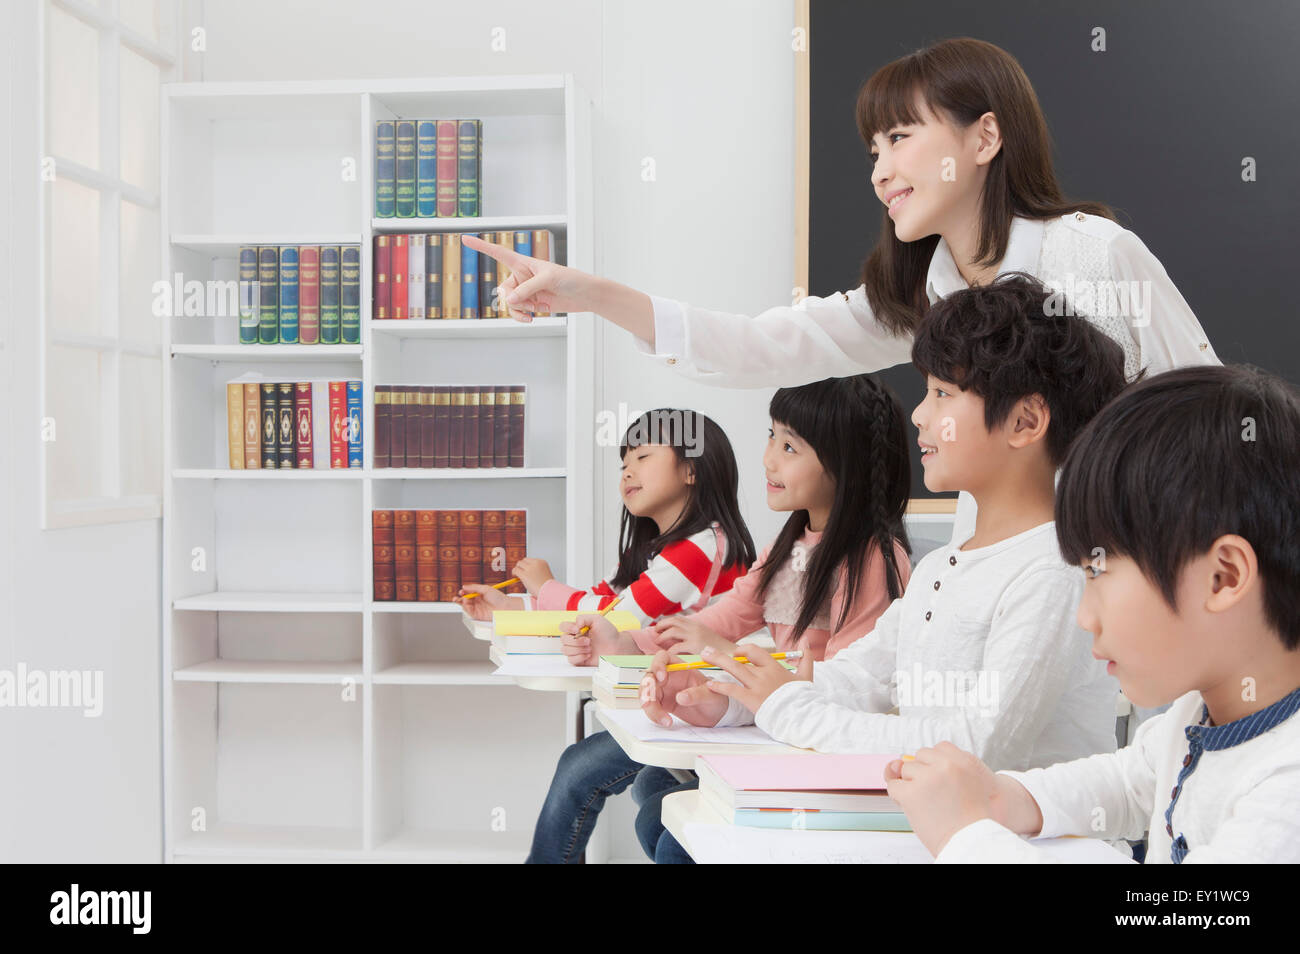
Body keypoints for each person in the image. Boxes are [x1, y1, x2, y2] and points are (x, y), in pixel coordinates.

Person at [465, 36, 1220, 548]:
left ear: (984, 140)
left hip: (1128, 572)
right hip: (993, 576)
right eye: (872, 149)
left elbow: (1210, 423)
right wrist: (591, 293)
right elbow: (763, 345)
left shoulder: (1095, 255)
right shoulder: (925, 292)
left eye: (901, 138)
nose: (880, 170)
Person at [641, 275, 1127, 861]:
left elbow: (976, 747)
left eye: (944, 394)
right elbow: (857, 679)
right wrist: (730, 698)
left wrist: (786, 707)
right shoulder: (945, 564)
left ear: (1025, 422)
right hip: (928, 833)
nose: (919, 416)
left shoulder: (1052, 570)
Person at [885, 364, 1300, 864]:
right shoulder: (1202, 713)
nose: (1085, 616)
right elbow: (1126, 783)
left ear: (1223, 578)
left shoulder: (1286, 788)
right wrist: (1001, 797)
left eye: (1098, 573)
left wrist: (967, 837)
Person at [527, 375, 913, 863]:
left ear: (845, 465)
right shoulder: (784, 551)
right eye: (771, 438)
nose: (769, 459)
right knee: (652, 795)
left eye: (789, 447)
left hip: (811, 749)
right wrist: (622, 644)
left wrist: (721, 654)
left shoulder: (872, 559)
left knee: (654, 815)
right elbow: (720, 619)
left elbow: (850, 686)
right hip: (766, 725)